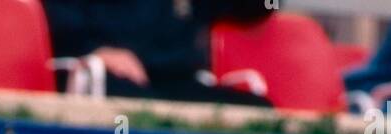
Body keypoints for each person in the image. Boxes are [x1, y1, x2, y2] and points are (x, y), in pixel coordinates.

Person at [43, 0, 275, 105]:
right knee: (132, 110)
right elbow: (51, 14)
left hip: (176, 83)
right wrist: (97, 51)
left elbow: (260, 6)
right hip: (102, 77)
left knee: (255, 109)